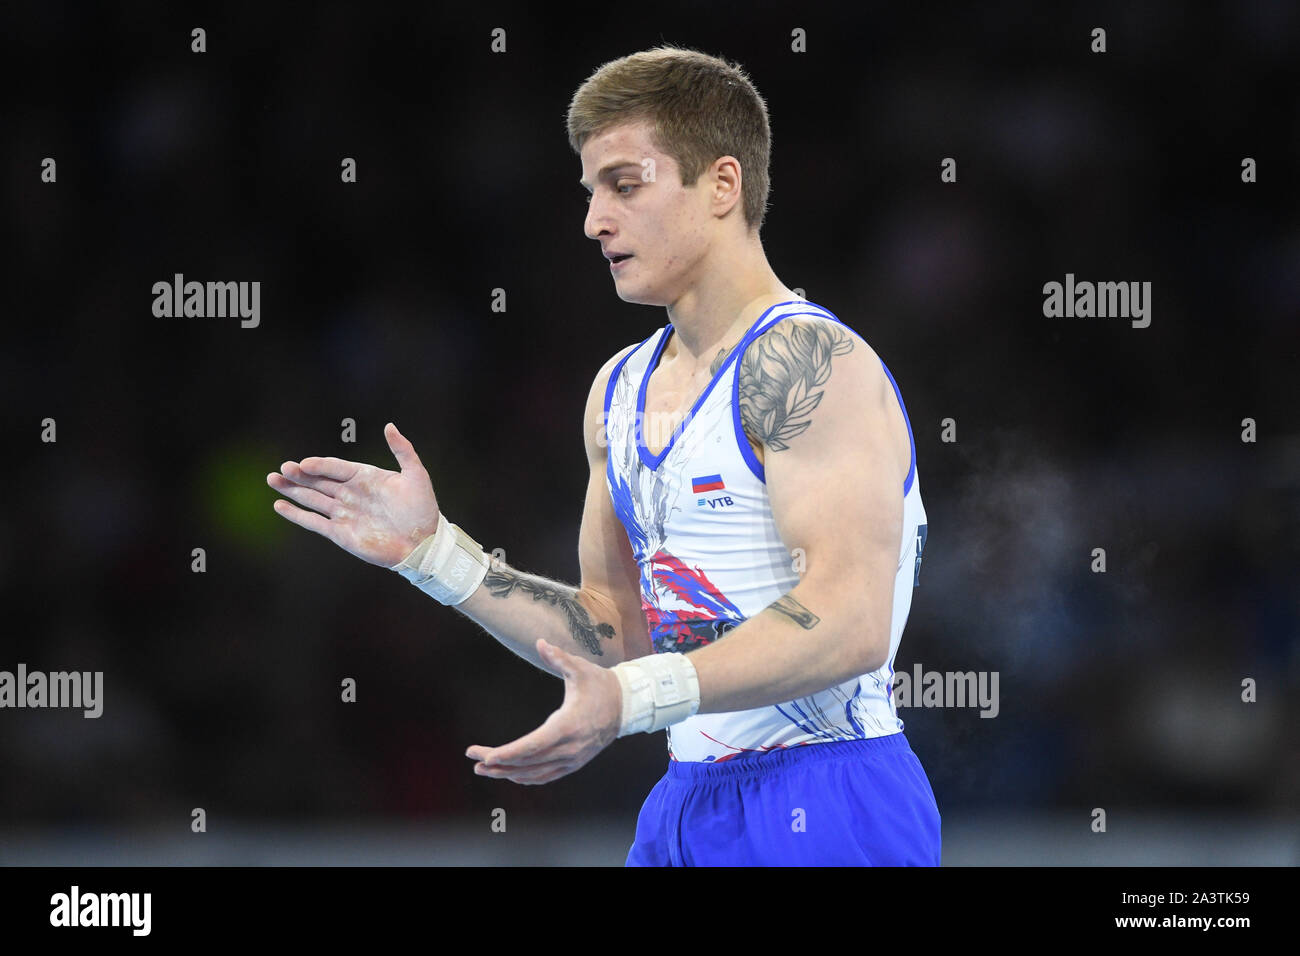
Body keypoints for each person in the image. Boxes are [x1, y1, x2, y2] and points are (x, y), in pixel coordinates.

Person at [267, 44, 940, 866]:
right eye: (589, 192)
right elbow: (616, 635)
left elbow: (850, 624)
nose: (594, 220)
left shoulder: (809, 365)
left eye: (625, 184)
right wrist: (437, 554)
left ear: (723, 185)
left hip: (830, 795)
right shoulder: (618, 391)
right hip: (687, 799)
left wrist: (633, 697)